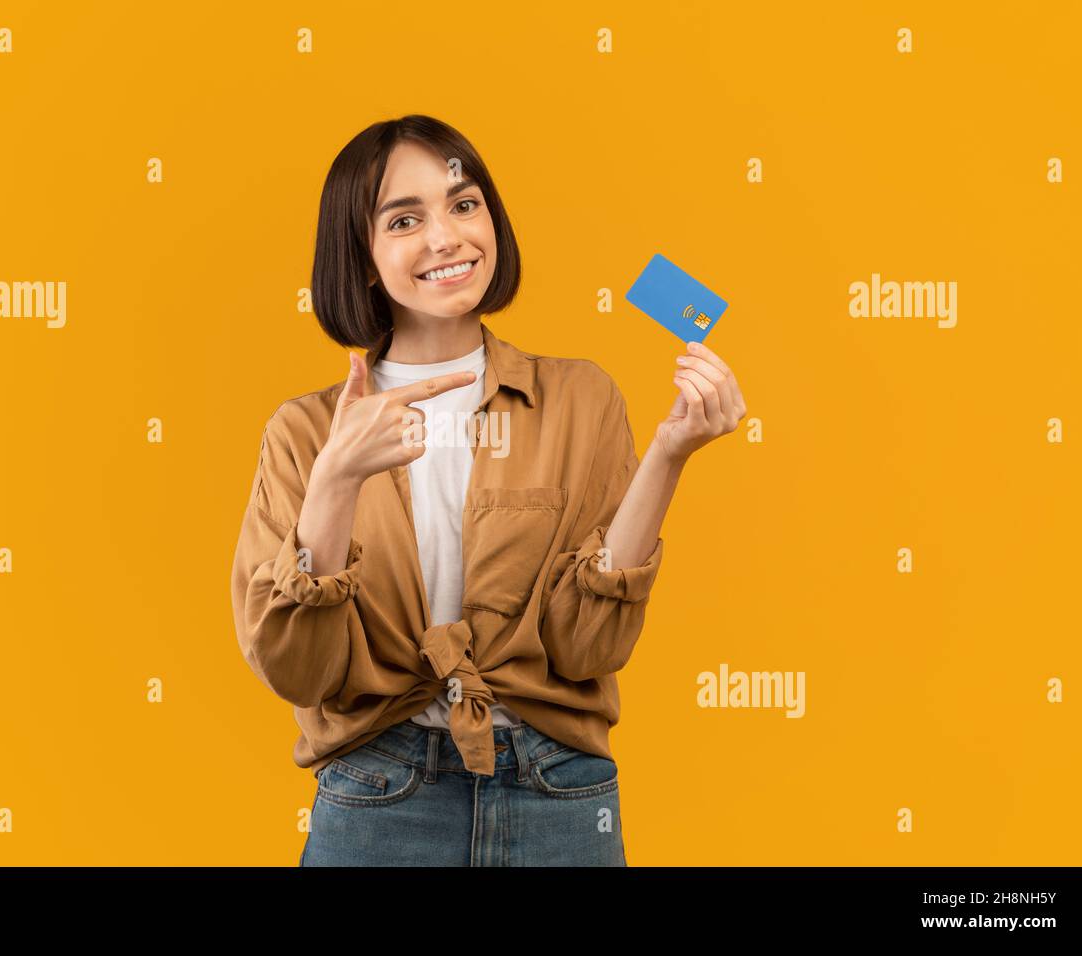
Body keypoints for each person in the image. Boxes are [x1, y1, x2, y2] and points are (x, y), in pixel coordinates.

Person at [230, 115, 747, 866]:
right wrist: (336, 479)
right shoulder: (305, 432)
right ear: (362, 257)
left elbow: (586, 648)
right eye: (404, 220)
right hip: (379, 798)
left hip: (557, 794)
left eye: (464, 204)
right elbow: (299, 672)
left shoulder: (582, 399)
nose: (447, 238)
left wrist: (671, 455)